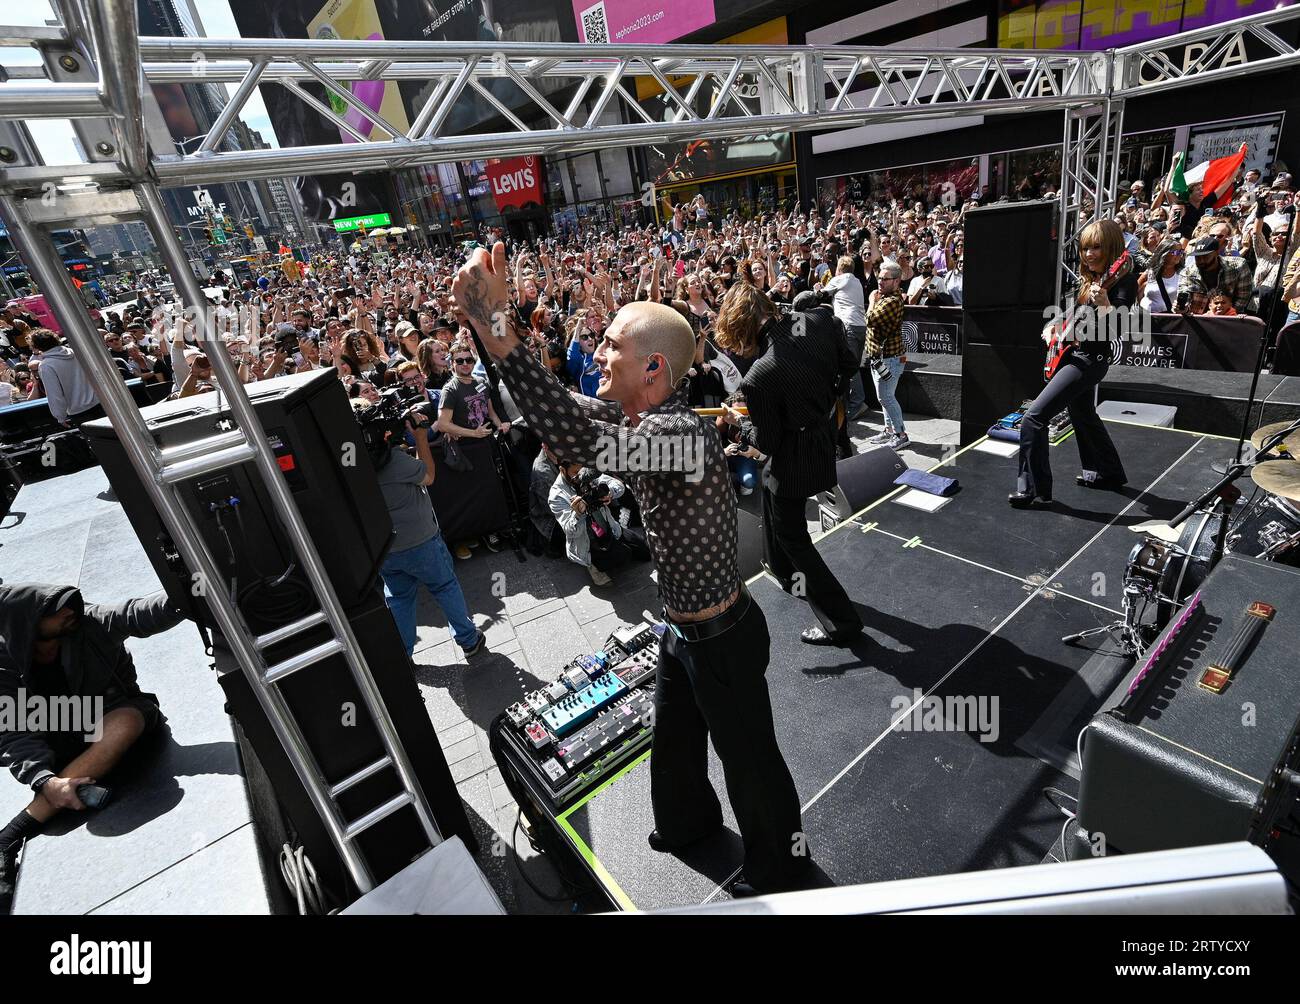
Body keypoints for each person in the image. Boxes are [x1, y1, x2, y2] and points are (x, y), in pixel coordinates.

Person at [453, 243, 815, 896]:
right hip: (680, 630)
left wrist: (505, 337)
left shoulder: (682, 437)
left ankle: (783, 868)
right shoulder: (644, 421)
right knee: (673, 746)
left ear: (652, 368)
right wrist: (489, 332)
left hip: (724, 638)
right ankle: (685, 827)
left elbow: (584, 441)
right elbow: (565, 410)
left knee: (751, 766)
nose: (596, 354)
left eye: (610, 346)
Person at [0, 584, 187, 906]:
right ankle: (57, 790)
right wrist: (45, 779)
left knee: (126, 722)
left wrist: (188, 593)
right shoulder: (6, 663)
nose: (69, 611)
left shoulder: (90, 623)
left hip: (113, 714)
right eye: (55, 611)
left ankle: (12, 833)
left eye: (68, 604)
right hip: (57, 733)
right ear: (27, 624)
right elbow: (14, 733)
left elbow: (137, 613)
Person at [717, 283, 863, 647]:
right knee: (770, 492)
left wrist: (739, 423)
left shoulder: (760, 374)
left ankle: (841, 621)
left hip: (796, 455)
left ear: (742, 327)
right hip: (824, 435)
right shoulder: (815, 320)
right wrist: (824, 396)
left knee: (795, 537)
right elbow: (849, 364)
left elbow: (768, 443)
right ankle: (782, 571)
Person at [1011, 220, 1135, 508]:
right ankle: (1109, 473)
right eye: (1085, 248)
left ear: (1113, 248)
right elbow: (1069, 314)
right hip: (1075, 356)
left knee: (1034, 418)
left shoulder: (1123, 281)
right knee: (1083, 416)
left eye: (1097, 247)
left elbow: (1118, 329)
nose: (1089, 254)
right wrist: (1052, 327)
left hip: (1090, 360)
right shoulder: (1088, 281)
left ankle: (1032, 488)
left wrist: (1105, 304)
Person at [365, 403, 486, 659]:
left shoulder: (354, 464)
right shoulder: (395, 461)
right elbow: (428, 476)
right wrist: (420, 437)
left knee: (398, 599)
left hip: (386, 547)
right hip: (421, 542)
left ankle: (404, 655)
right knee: (444, 587)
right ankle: (468, 640)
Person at [548, 461, 649, 586]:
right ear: (562, 470)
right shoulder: (557, 496)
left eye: (581, 472)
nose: (579, 477)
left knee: (646, 553)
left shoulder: (586, 475)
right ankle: (592, 565)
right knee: (623, 556)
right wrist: (578, 514)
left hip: (610, 527)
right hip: (589, 541)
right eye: (575, 473)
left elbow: (618, 485)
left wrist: (610, 494)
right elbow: (571, 531)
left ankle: (614, 551)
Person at [864, 260, 910, 448]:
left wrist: (871, 301)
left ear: (897, 281)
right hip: (880, 358)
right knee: (884, 397)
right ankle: (889, 431)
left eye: (885, 279)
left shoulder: (892, 301)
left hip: (890, 359)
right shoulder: (885, 296)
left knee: (887, 398)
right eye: (879, 278)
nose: (880, 282)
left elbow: (870, 319)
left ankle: (901, 434)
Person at [823, 255, 868, 420]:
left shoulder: (840, 278)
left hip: (848, 326)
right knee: (853, 365)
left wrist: (817, 288)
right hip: (860, 326)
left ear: (839, 269)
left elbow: (821, 293)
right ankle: (854, 402)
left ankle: (857, 403)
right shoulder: (856, 280)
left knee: (850, 367)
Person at [30, 329, 102, 427]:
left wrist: (60, 417)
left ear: (36, 346)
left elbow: (54, 394)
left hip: (80, 412)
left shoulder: (46, 366)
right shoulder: (74, 351)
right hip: (100, 403)